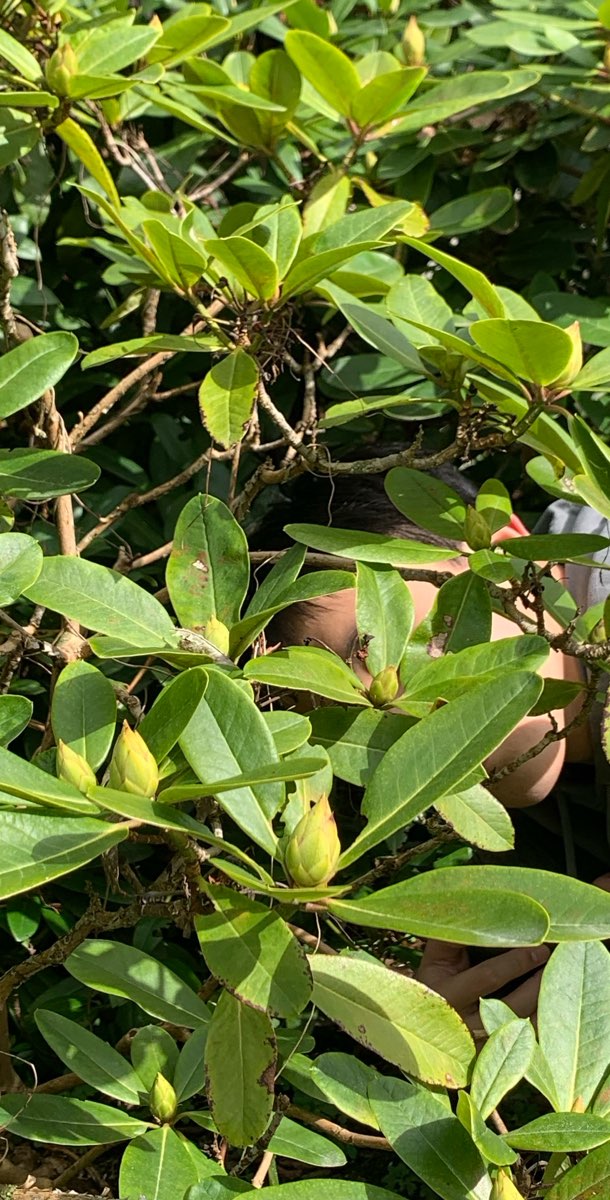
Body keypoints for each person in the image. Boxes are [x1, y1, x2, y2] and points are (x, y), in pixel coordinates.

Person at [251, 463, 608, 1027]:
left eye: (377, 646)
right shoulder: (538, 867)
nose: (396, 718)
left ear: (500, 550)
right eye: (347, 728)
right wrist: (454, 1034)